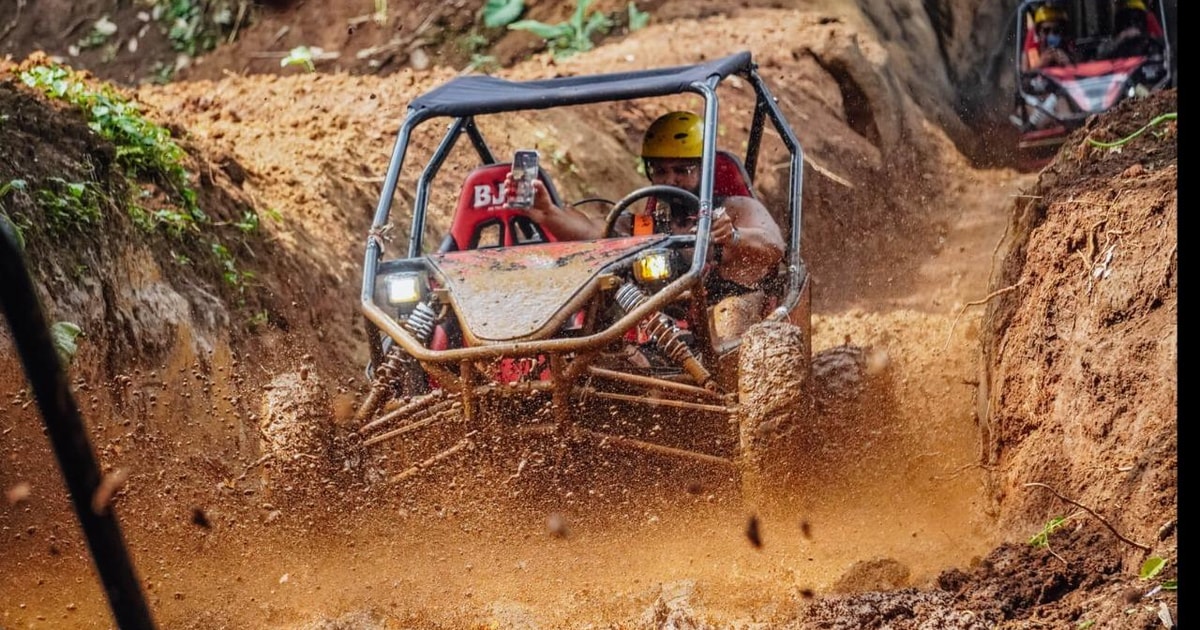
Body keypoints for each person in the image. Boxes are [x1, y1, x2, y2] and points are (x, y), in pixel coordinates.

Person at [502, 111, 786, 350]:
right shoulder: (646, 223)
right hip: (664, 334)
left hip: (729, 325)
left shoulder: (736, 209)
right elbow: (593, 232)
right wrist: (548, 214)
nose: (670, 180)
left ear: (704, 167)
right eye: (661, 172)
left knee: (732, 313)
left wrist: (734, 237)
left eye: (682, 170)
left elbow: (773, 245)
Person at [1098, 0, 1163, 59]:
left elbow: (1160, 40)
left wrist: (1144, 36)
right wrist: (1122, 36)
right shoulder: (1119, 20)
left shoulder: (1148, 17)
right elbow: (1105, 51)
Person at [1026, 3, 1076, 69]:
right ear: (1038, 33)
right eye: (1046, 31)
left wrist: (1068, 64)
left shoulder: (1068, 46)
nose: (1051, 35)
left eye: (1056, 31)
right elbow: (1024, 75)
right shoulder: (1032, 47)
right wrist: (1040, 64)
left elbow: (1081, 72)